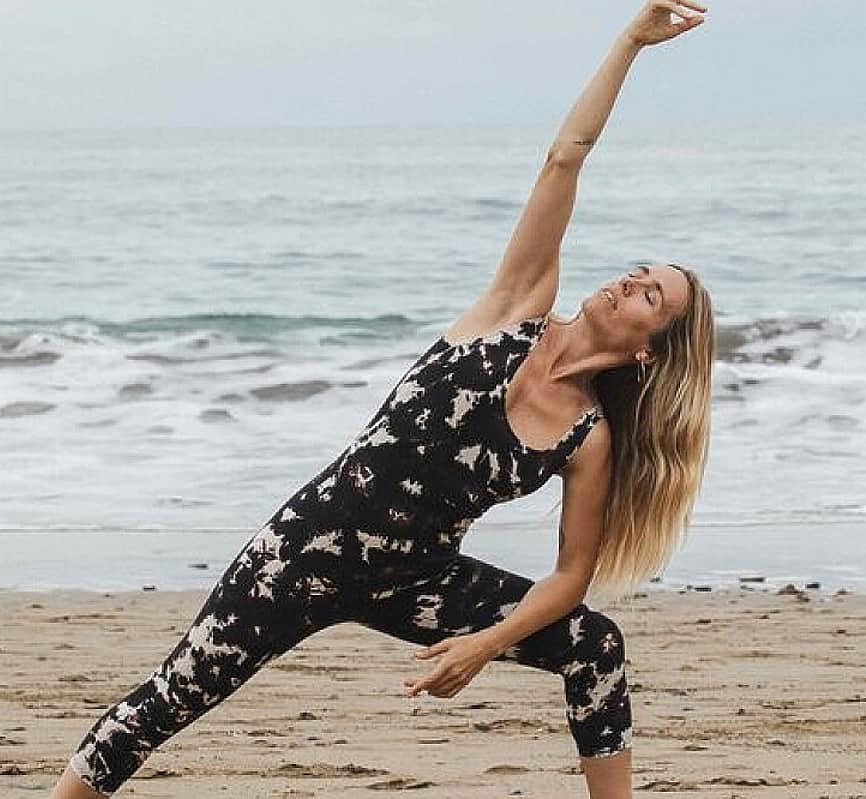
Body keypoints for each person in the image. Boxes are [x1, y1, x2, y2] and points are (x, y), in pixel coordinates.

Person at [51, 2, 714, 797]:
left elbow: (571, 575)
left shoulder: (587, 437)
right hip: (307, 548)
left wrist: (484, 643)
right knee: (173, 695)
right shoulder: (516, 308)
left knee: (595, 643)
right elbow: (564, 158)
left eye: (651, 295)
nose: (629, 280)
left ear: (649, 347)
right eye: (640, 269)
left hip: (418, 581)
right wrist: (629, 44)